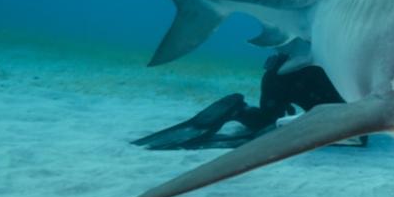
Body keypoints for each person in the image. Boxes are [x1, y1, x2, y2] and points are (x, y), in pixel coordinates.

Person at [133, 53, 367, 150]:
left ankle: (239, 110)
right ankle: (287, 126)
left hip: (280, 71)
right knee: (358, 135)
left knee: (266, 117)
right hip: (320, 77)